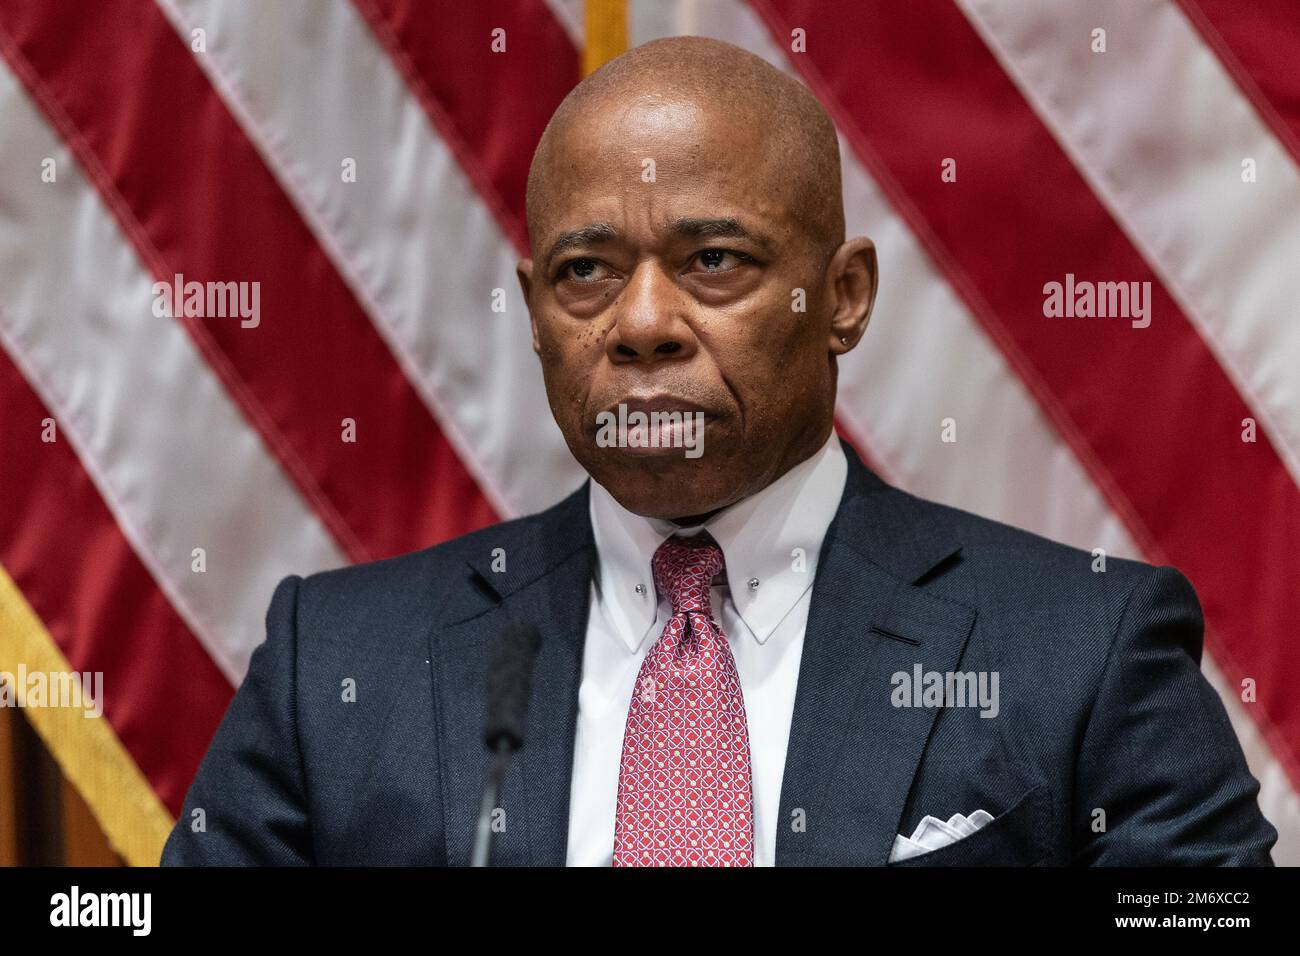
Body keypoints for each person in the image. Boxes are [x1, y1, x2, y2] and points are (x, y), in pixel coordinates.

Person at [162, 36, 1276, 866]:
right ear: (536, 310)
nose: (641, 323)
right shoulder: (336, 667)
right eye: (586, 272)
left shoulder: (1083, 653)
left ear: (842, 298)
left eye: (714, 262)